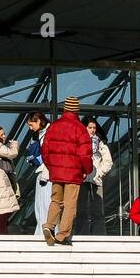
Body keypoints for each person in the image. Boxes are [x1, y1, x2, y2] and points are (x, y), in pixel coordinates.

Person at [40, 96, 93, 246]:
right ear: (77, 110)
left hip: (56, 172)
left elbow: (45, 151)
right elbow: (85, 154)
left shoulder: (54, 126)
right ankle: (62, 235)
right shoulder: (80, 129)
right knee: (70, 204)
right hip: (73, 173)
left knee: (56, 200)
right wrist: (86, 170)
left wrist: (52, 167)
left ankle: (49, 225)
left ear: (64, 109)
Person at [77, 117, 113, 236]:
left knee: (97, 209)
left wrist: (99, 173)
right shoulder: (78, 141)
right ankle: (81, 234)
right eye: (90, 127)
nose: (92, 130)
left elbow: (108, 161)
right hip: (81, 179)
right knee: (81, 209)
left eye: (94, 128)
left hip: (96, 180)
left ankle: (99, 234)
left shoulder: (100, 143)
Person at [24, 112, 51, 237]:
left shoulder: (49, 133)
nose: (31, 128)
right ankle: (42, 230)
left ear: (39, 120)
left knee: (45, 203)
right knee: (41, 204)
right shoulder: (40, 134)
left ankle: (44, 230)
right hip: (43, 172)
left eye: (31, 124)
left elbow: (50, 155)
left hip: (47, 173)